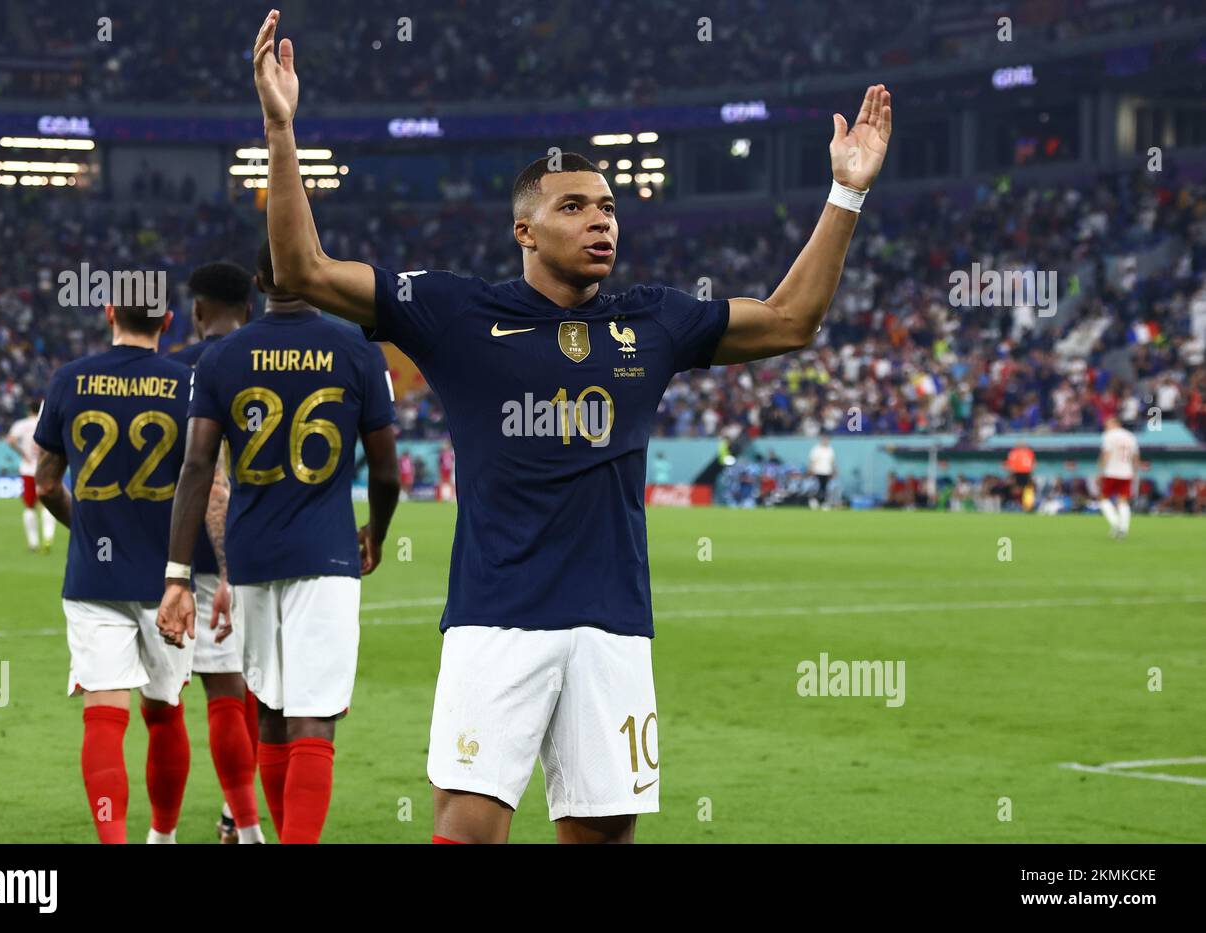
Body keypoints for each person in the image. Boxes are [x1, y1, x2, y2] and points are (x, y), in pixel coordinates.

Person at [251, 9, 891, 843]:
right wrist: (280, 125)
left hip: (614, 624)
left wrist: (847, 190)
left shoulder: (653, 321)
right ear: (525, 229)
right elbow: (302, 268)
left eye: (610, 207)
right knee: (468, 831)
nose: (602, 220)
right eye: (576, 205)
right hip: (496, 618)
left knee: (604, 837)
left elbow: (789, 318)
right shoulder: (455, 311)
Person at [157, 240, 401, 844]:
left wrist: (179, 575)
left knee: (268, 708)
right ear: (310, 269)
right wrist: (377, 530)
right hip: (327, 554)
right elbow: (389, 472)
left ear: (260, 281)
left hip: (250, 557)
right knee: (314, 716)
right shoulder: (358, 349)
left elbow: (195, 469)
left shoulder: (220, 358)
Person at [32, 301, 195, 844]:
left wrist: (90, 532)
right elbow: (207, 482)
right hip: (167, 577)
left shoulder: (68, 380)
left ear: (108, 313)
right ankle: (163, 838)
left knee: (104, 719)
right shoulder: (187, 384)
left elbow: (47, 483)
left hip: (94, 579)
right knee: (165, 713)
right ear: (168, 321)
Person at [167, 261, 261, 844]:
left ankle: (222, 821)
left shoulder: (172, 370)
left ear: (196, 311)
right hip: (265, 551)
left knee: (199, 690)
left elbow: (205, 472)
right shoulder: (263, 361)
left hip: (189, 556)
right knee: (250, 689)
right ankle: (237, 816)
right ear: (249, 309)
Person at [6, 398, 55, 553]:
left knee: (29, 506)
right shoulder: (47, 424)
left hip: (28, 469)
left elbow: (11, 440)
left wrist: (23, 454)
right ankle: (48, 538)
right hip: (45, 469)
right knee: (47, 505)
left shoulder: (21, 425)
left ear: (28, 410)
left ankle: (33, 543)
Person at [1097, 415, 1139, 538]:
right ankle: (1124, 528)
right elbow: (1135, 457)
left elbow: (1106, 454)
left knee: (1103, 499)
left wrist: (1100, 472)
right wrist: (1135, 472)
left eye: (1107, 425)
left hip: (1111, 472)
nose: (1106, 428)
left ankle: (1115, 523)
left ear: (1115, 424)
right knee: (1123, 501)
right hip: (1126, 473)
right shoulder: (1131, 437)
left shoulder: (1109, 436)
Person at [807, 435, 835, 509]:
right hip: (818, 471)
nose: (826, 441)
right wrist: (811, 469)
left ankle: (822, 502)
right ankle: (814, 500)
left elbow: (832, 461)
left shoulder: (830, 449)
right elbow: (812, 460)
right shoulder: (816, 449)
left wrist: (833, 470)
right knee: (818, 487)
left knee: (825, 488)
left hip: (827, 471)